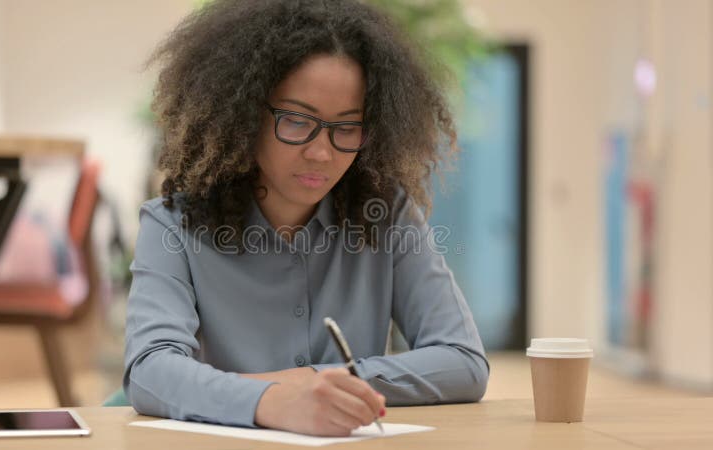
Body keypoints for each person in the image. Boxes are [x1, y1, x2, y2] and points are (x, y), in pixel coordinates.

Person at [124, 0, 489, 437]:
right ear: (244, 114)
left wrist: (318, 387)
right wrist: (274, 400)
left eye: (346, 127)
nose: (322, 152)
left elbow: (462, 361)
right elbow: (149, 372)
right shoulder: (172, 225)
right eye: (297, 121)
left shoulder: (387, 215)